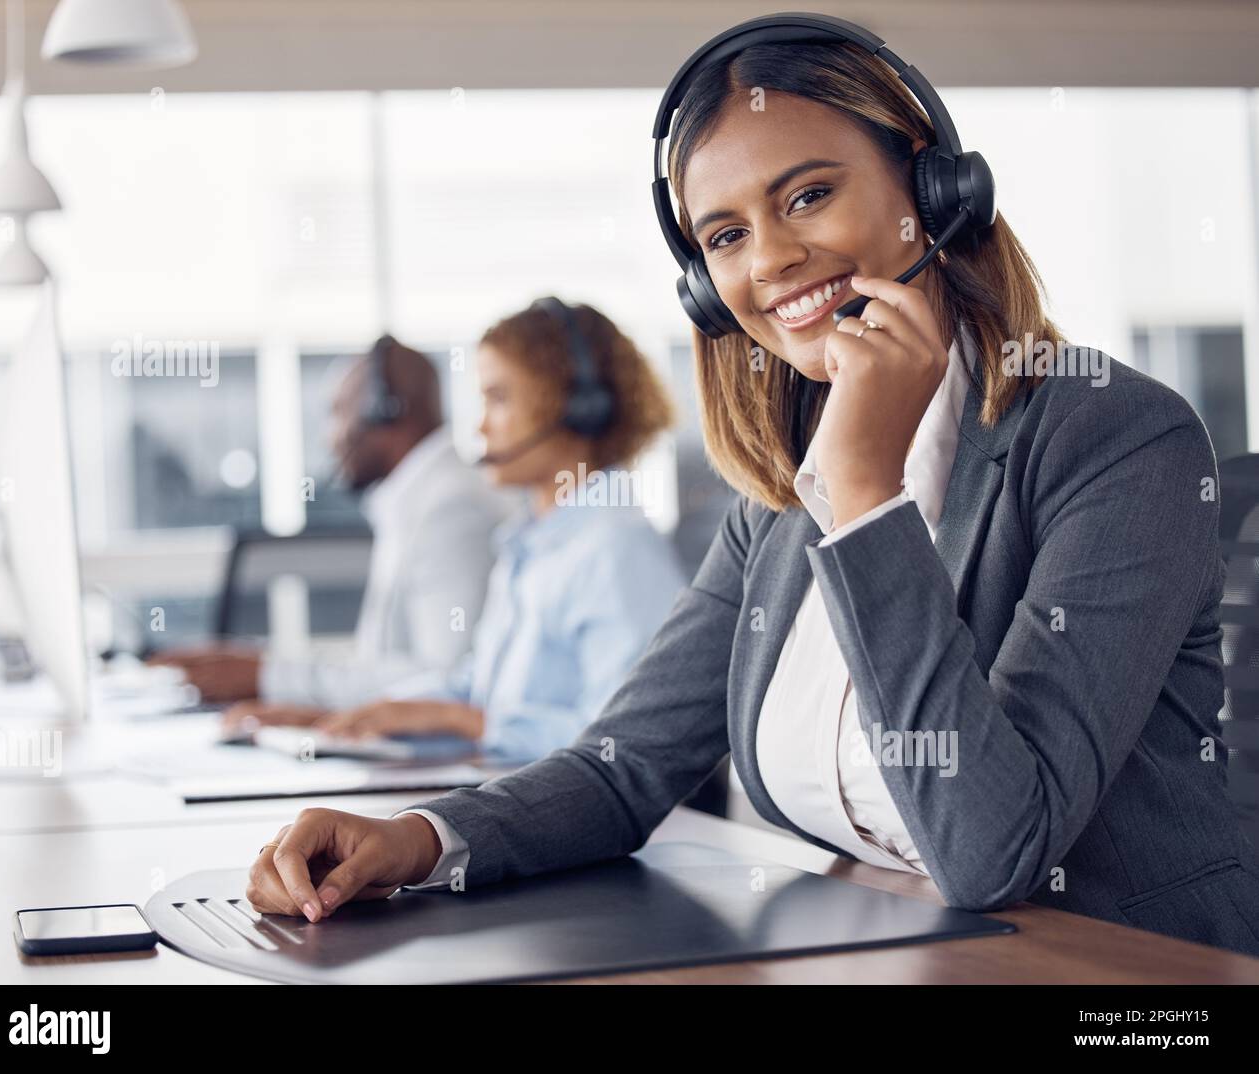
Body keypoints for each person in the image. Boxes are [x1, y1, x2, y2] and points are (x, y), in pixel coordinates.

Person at [241, 16, 1259, 955]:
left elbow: (992, 850)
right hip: (879, 949)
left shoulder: (1118, 442)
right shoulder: (779, 501)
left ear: (933, 191)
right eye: (724, 236)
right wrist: (419, 839)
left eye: (809, 195)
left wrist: (866, 499)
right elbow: (623, 764)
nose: (771, 259)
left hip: (1115, 974)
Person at [224, 297, 686, 764]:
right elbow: (475, 685)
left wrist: (470, 723)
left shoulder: (616, 547)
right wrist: (348, 717)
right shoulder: (530, 543)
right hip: (508, 793)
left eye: (499, 399)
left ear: (578, 407)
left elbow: (627, 740)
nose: (481, 426)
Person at [150, 335, 505, 711]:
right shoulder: (413, 501)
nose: (329, 438)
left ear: (386, 409)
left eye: (338, 412)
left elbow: (443, 681)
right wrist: (267, 672)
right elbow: (384, 663)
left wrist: (268, 677)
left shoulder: (451, 508)